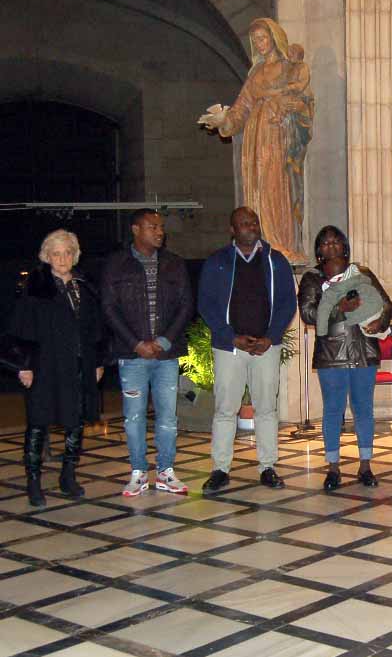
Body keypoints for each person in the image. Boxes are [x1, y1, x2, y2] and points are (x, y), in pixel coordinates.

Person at [198, 207, 297, 493]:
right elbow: (206, 304)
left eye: (254, 222)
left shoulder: (276, 261)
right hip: (230, 347)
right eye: (243, 223)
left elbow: (287, 303)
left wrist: (271, 336)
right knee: (225, 409)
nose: (250, 226)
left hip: (266, 346)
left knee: (266, 408)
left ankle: (268, 466)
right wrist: (230, 336)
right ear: (232, 229)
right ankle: (220, 469)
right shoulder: (217, 262)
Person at [198, 18, 314, 261]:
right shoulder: (256, 74)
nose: (260, 44)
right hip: (254, 137)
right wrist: (223, 121)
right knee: (258, 187)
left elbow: (303, 99)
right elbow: (241, 108)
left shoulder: (289, 68)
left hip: (277, 133)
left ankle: (281, 242)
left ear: (274, 38)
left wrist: (291, 105)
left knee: (275, 186)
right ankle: (261, 242)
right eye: (255, 40)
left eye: (263, 38)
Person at [101, 209, 194, 496]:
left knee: (168, 416)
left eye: (161, 227)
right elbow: (109, 309)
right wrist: (136, 344)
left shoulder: (174, 264)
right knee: (134, 417)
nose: (159, 231)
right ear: (135, 229)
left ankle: (166, 471)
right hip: (132, 357)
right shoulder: (116, 264)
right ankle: (138, 472)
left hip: (166, 356)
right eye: (152, 226)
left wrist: (164, 341)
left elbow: (186, 306)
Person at [13, 230, 104, 507]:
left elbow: (96, 328)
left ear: (74, 255)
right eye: (56, 253)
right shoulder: (36, 286)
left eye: (67, 252)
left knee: (75, 422)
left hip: (78, 365)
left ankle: (68, 475)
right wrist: (24, 366)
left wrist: (98, 361)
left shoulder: (84, 285)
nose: (62, 258)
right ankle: (33, 480)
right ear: (47, 257)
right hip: (44, 367)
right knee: (38, 423)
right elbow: (21, 329)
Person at [298, 226, 392, 490]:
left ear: (345, 246)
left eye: (335, 242)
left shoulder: (362, 274)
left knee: (363, 409)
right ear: (318, 250)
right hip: (331, 355)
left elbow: (386, 304)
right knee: (333, 411)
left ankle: (365, 465)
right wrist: (339, 308)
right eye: (325, 243)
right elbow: (308, 314)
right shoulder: (312, 279)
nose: (331, 246)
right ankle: (333, 467)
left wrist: (379, 322)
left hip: (363, 351)